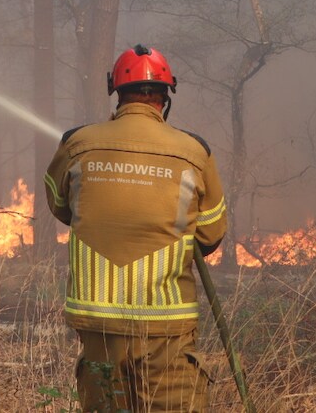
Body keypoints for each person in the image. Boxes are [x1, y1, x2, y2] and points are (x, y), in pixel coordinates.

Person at [44, 45, 227, 412]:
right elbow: (210, 235)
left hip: (97, 327)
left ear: (116, 92)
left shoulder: (77, 143)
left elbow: (59, 205)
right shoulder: (194, 152)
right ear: (164, 97)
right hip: (166, 329)